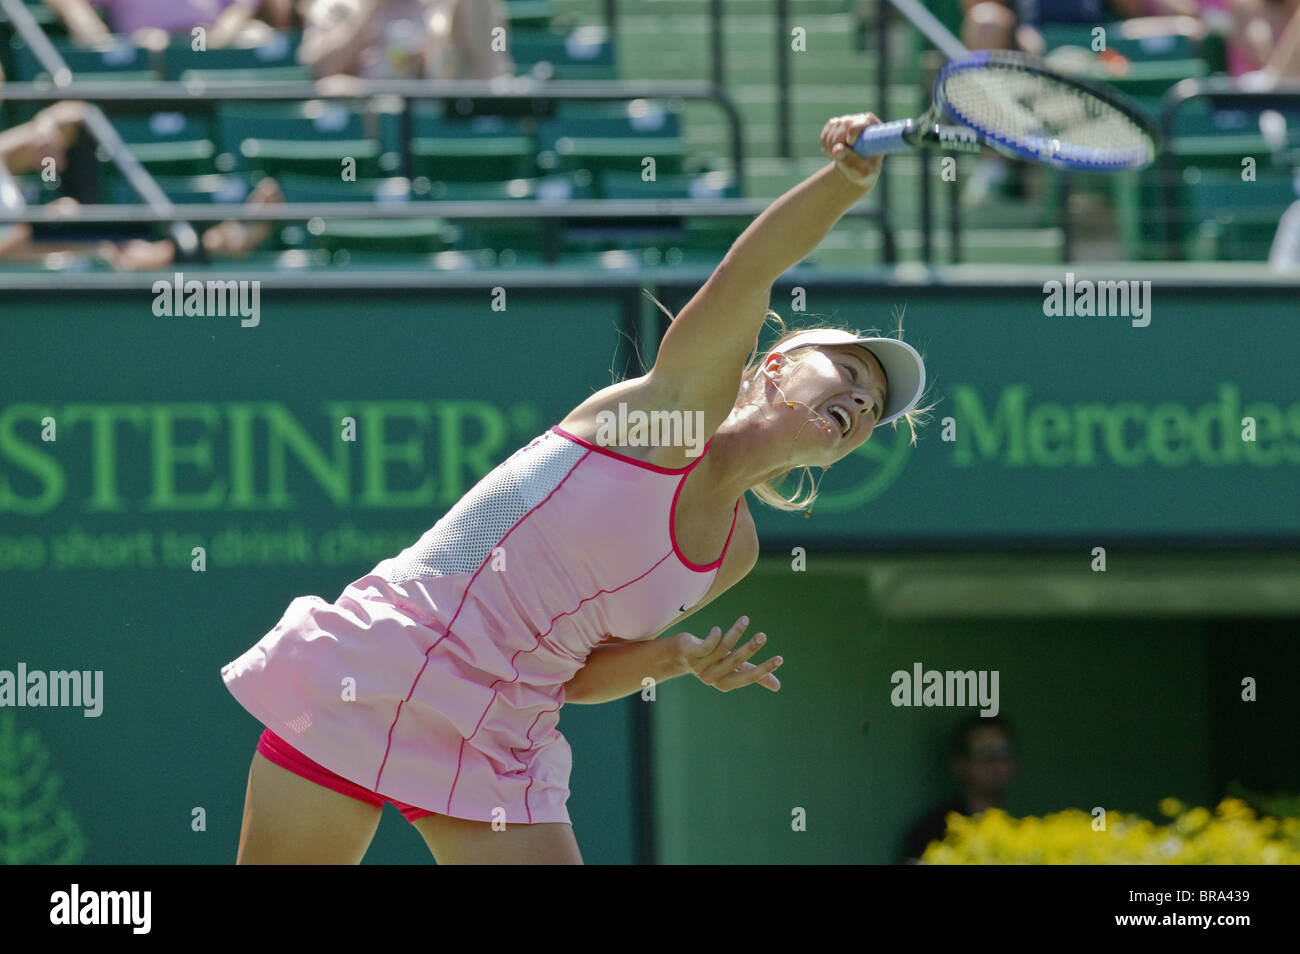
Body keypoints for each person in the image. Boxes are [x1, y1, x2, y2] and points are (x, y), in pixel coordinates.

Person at [223, 111, 932, 865]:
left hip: (502, 736)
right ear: (778, 363)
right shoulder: (668, 422)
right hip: (389, 664)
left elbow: (581, 676)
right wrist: (844, 182)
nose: (862, 402)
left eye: (873, 409)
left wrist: (676, 657)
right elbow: (747, 275)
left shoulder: (737, 552)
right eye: (851, 373)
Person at [298, 0, 514, 81]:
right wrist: (371, 11)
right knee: (334, 86)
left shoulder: (443, 7)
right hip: (372, 108)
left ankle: (494, 119)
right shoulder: (335, 5)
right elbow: (322, 67)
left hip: (437, 102)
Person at [901, 716, 1020, 863]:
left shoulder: (1020, 833)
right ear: (959, 764)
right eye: (982, 753)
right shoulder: (933, 833)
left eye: (1003, 751)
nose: (994, 761)